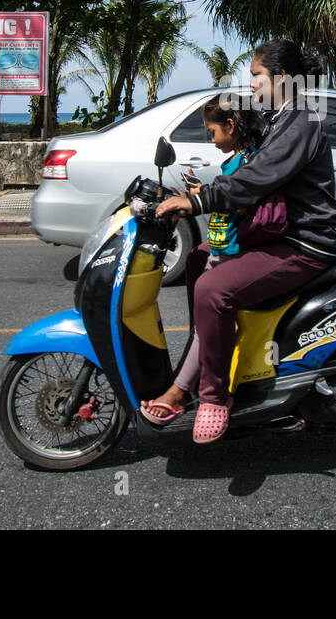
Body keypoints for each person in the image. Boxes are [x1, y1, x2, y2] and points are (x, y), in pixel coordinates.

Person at [155, 39, 336, 444]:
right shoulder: (281, 118)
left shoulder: (302, 121)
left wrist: (199, 201)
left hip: (301, 244)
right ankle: (203, 361)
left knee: (213, 289)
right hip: (275, 235)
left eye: (257, 75)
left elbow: (258, 178)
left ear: (282, 77)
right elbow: (249, 170)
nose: (252, 83)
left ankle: (214, 397)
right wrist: (200, 192)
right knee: (198, 259)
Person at [139, 93, 265, 426]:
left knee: (205, 327)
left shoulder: (249, 160)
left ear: (231, 125)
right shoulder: (238, 159)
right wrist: (200, 193)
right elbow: (227, 195)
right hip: (220, 247)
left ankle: (180, 392)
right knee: (200, 321)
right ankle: (187, 383)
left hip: (230, 252)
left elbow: (241, 201)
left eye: (213, 132)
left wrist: (200, 199)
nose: (211, 139)